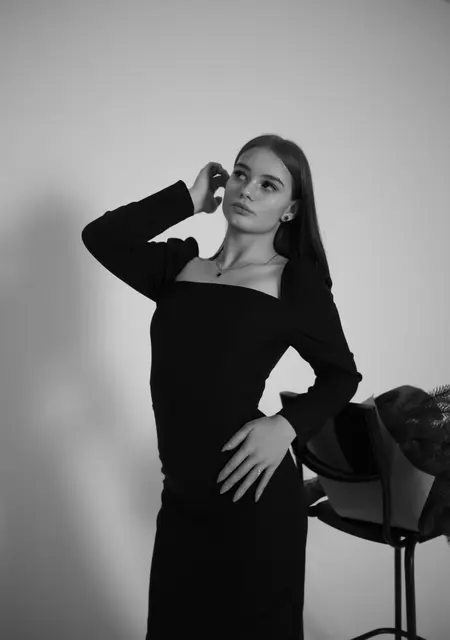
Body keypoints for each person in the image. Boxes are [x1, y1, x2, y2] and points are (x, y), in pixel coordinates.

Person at [81, 134, 363, 639]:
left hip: (252, 498)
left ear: (291, 210)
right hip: (181, 500)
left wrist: (285, 426)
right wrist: (187, 200)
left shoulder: (293, 283)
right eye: (241, 174)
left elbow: (341, 375)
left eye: (268, 185)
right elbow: (101, 237)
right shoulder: (178, 268)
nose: (247, 189)